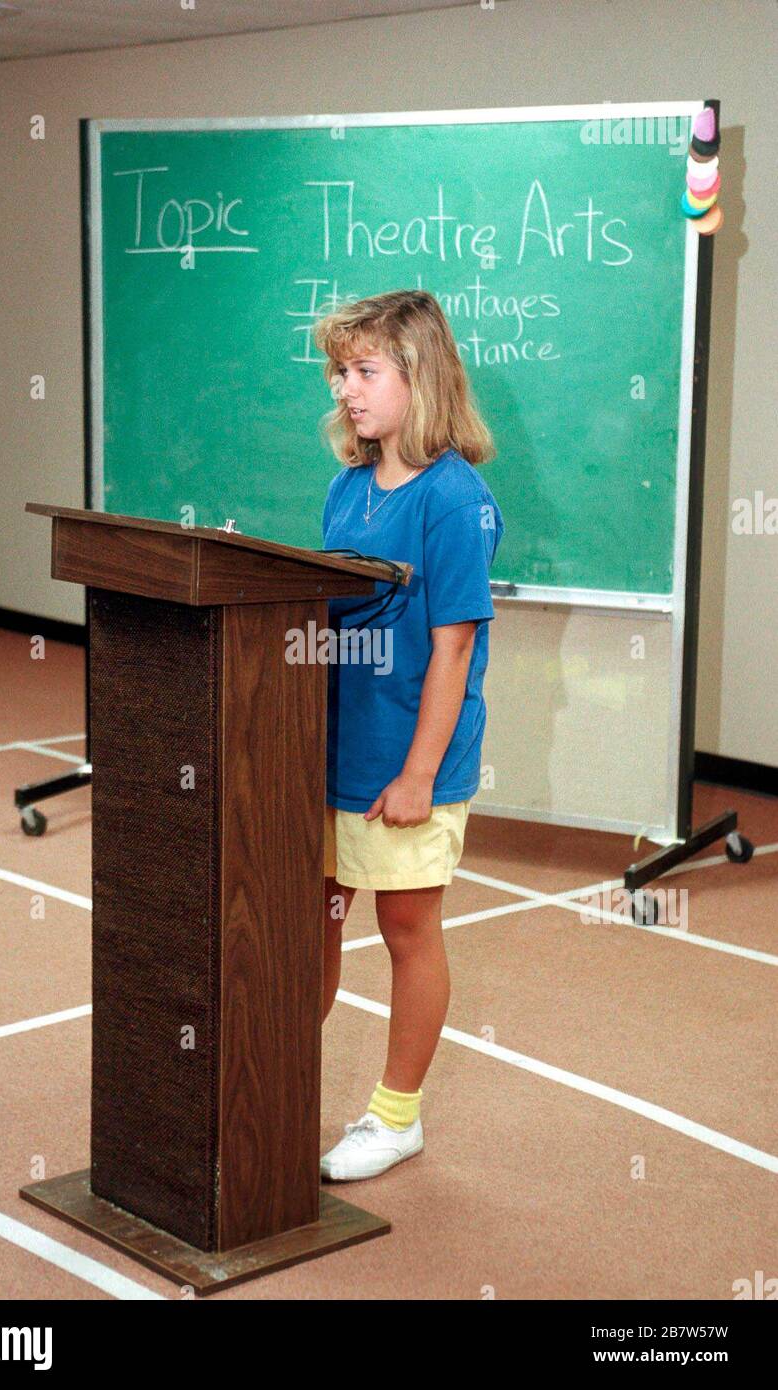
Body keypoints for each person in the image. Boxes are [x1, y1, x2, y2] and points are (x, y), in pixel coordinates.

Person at [315, 289, 505, 1181]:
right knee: (310, 920)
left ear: (419, 376)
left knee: (405, 927)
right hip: (330, 754)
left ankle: (395, 1117)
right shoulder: (346, 486)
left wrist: (418, 773)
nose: (347, 390)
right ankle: (273, 1084)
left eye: (365, 371)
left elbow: (453, 646)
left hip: (408, 762)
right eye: (339, 372)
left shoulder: (455, 499)